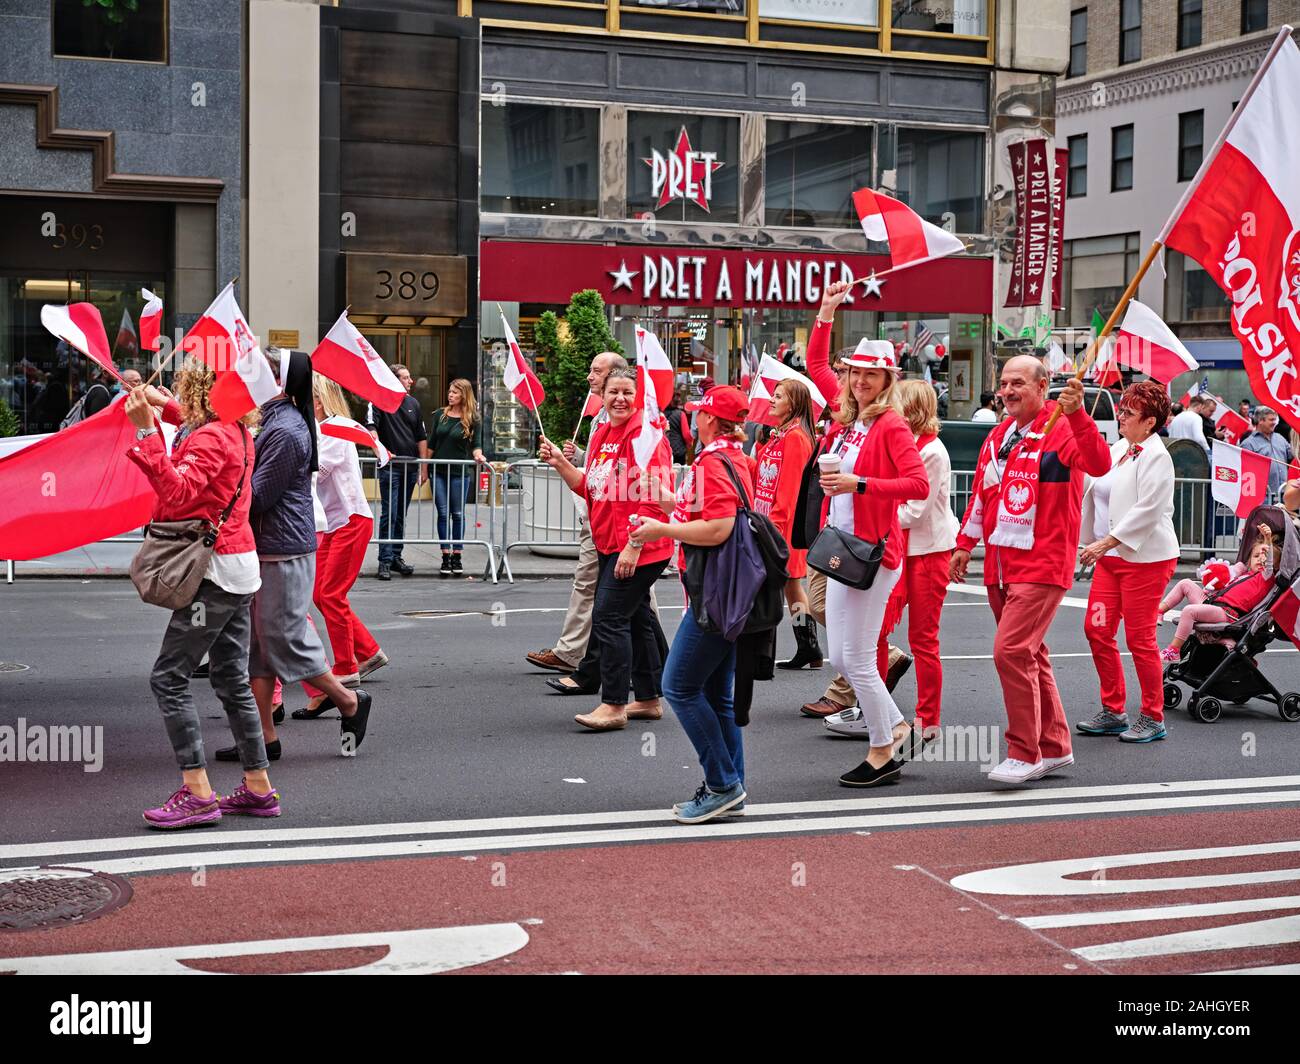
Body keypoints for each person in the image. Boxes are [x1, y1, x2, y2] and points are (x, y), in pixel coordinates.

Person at [124, 362, 280, 827]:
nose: (174, 391)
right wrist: (159, 407)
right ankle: (257, 788)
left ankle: (197, 792)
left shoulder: (211, 436)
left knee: (168, 678)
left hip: (212, 576)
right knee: (231, 680)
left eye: (179, 388)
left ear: (197, 392)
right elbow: (195, 432)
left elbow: (178, 493)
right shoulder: (234, 429)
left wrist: (147, 433)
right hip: (238, 567)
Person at [952, 358, 1111, 784]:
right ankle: (1055, 747)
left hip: (1041, 563)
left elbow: (1098, 463)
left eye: (1017, 383)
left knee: (1011, 652)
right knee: (1032, 655)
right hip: (1001, 564)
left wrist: (1077, 413)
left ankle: (1025, 752)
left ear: (1043, 387)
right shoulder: (998, 435)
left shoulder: (1061, 426)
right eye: (1003, 383)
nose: (1007, 390)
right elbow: (982, 495)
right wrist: (965, 544)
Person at [216, 349, 372, 760]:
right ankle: (263, 738)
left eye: (263, 374)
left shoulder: (285, 430)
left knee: (284, 641)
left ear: (280, 384)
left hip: (282, 549)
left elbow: (261, 494)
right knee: (259, 648)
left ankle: (349, 700)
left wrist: (221, 488)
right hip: (271, 546)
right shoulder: (276, 420)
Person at [808, 283, 930, 787]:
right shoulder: (850, 418)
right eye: (855, 372)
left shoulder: (891, 425)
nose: (860, 381)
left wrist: (860, 483)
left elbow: (917, 483)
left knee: (855, 657)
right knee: (840, 655)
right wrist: (826, 312)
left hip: (873, 554)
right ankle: (895, 727)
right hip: (842, 548)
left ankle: (885, 743)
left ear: (887, 379)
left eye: (870, 374)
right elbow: (817, 369)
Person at [629, 385, 754, 822]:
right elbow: (704, 511)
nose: (693, 417)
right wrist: (667, 502)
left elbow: (718, 527)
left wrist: (661, 530)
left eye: (700, 413)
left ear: (711, 421)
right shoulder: (734, 457)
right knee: (717, 696)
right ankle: (732, 784)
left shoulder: (712, 463)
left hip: (714, 595)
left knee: (678, 687)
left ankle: (722, 784)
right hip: (731, 592)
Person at [539, 367, 674, 731]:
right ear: (603, 395)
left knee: (609, 617)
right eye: (613, 391)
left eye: (627, 392)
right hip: (609, 542)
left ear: (638, 396)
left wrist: (632, 547)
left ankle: (613, 705)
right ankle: (648, 699)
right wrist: (561, 463)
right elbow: (590, 487)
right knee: (637, 617)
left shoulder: (647, 435)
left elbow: (652, 493)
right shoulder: (601, 432)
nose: (620, 399)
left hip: (639, 544)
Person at [828, 380, 957, 742]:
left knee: (923, 639)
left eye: (897, 404)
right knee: (877, 634)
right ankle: (876, 710)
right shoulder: (901, 442)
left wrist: (868, 503)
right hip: (895, 547)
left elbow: (914, 510)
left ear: (911, 409)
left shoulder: (932, 451)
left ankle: (927, 718)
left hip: (926, 552)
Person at [1075, 381, 1181, 744]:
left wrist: (1106, 542)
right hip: (1112, 557)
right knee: (1098, 630)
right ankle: (1114, 710)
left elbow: (1148, 510)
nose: (1121, 415)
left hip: (1145, 559)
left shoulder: (1157, 456)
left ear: (1150, 422)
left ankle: (1153, 716)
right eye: (1122, 408)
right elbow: (1093, 483)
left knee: (1139, 639)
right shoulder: (1121, 446)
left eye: (1129, 412)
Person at [525, 351, 630, 677]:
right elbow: (596, 471)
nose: (589, 376)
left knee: (631, 598)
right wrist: (568, 458)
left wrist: (638, 538)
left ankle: (622, 674)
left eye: (596, 371)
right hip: (598, 517)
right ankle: (582, 658)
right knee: (601, 589)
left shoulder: (630, 422)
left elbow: (633, 477)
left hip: (618, 524)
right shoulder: (601, 417)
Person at [290, 375, 388, 718]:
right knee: (321, 593)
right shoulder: (323, 428)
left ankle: (347, 668)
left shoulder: (336, 427)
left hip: (351, 519)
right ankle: (368, 651)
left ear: (317, 401)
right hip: (335, 522)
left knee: (330, 595)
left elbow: (316, 469)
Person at [756, 378, 819, 670]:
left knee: (778, 585)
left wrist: (775, 529)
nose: (771, 400)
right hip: (770, 518)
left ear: (792, 404)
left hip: (783, 524)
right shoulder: (781, 434)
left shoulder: (795, 437)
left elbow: (790, 488)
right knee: (791, 586)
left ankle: (764, 654)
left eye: (778, 396)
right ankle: (808, 647)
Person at [1161, 538, 1277, 660]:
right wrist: (1210, 591)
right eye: (1256, 556)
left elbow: (1268, 566)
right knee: (1186, 583)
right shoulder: (1242, 576)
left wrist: (1268, 539)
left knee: (1189, 611)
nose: (1260, 559)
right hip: (1214, 604)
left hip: (1228, 612)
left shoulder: (1265, 579)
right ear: (1249, 561)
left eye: (1265, 556)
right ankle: (1158, 612)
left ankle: (1174, 651)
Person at [366, 364, 427, 580]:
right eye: (406, 378)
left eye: (410, 378)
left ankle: (395, 557)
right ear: (393, 379)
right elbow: (371, 428)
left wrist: (423, 467)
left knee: (401, 514)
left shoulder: (413, 403)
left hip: (410, 467)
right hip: (391, 468)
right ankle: (384, 559)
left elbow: (421, 436)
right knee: (388, 514)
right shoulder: (378, 400)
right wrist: (379, 452)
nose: (411, 381)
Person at [427, 378, 487, 577]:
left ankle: (457, 554)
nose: (450, 395)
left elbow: (476, 444)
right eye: (449, 391)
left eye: (454, 392)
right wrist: (423, 468)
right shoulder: (439, 415)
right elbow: (431, 445)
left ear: (464, 395)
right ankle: (445, 555)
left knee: (458, 514)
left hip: (459, 474)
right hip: (439, 472)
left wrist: (478, 455)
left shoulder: (473, 418)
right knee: (443, 514)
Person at [1240, 406, 1293, 500]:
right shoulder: (1248, 444)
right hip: (1263, 497)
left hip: (1284, 494)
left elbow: (1292, 454)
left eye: (1275, 420)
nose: (1274, 423)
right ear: (1260, 421)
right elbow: (1246, 471)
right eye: (1271, 420)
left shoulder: (1279, 437)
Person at [664, 383, 694, 465]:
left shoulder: (660, 413)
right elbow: (686, 435)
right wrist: (689, 444)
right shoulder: (681, 414)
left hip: (663, 451)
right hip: (678, 452)